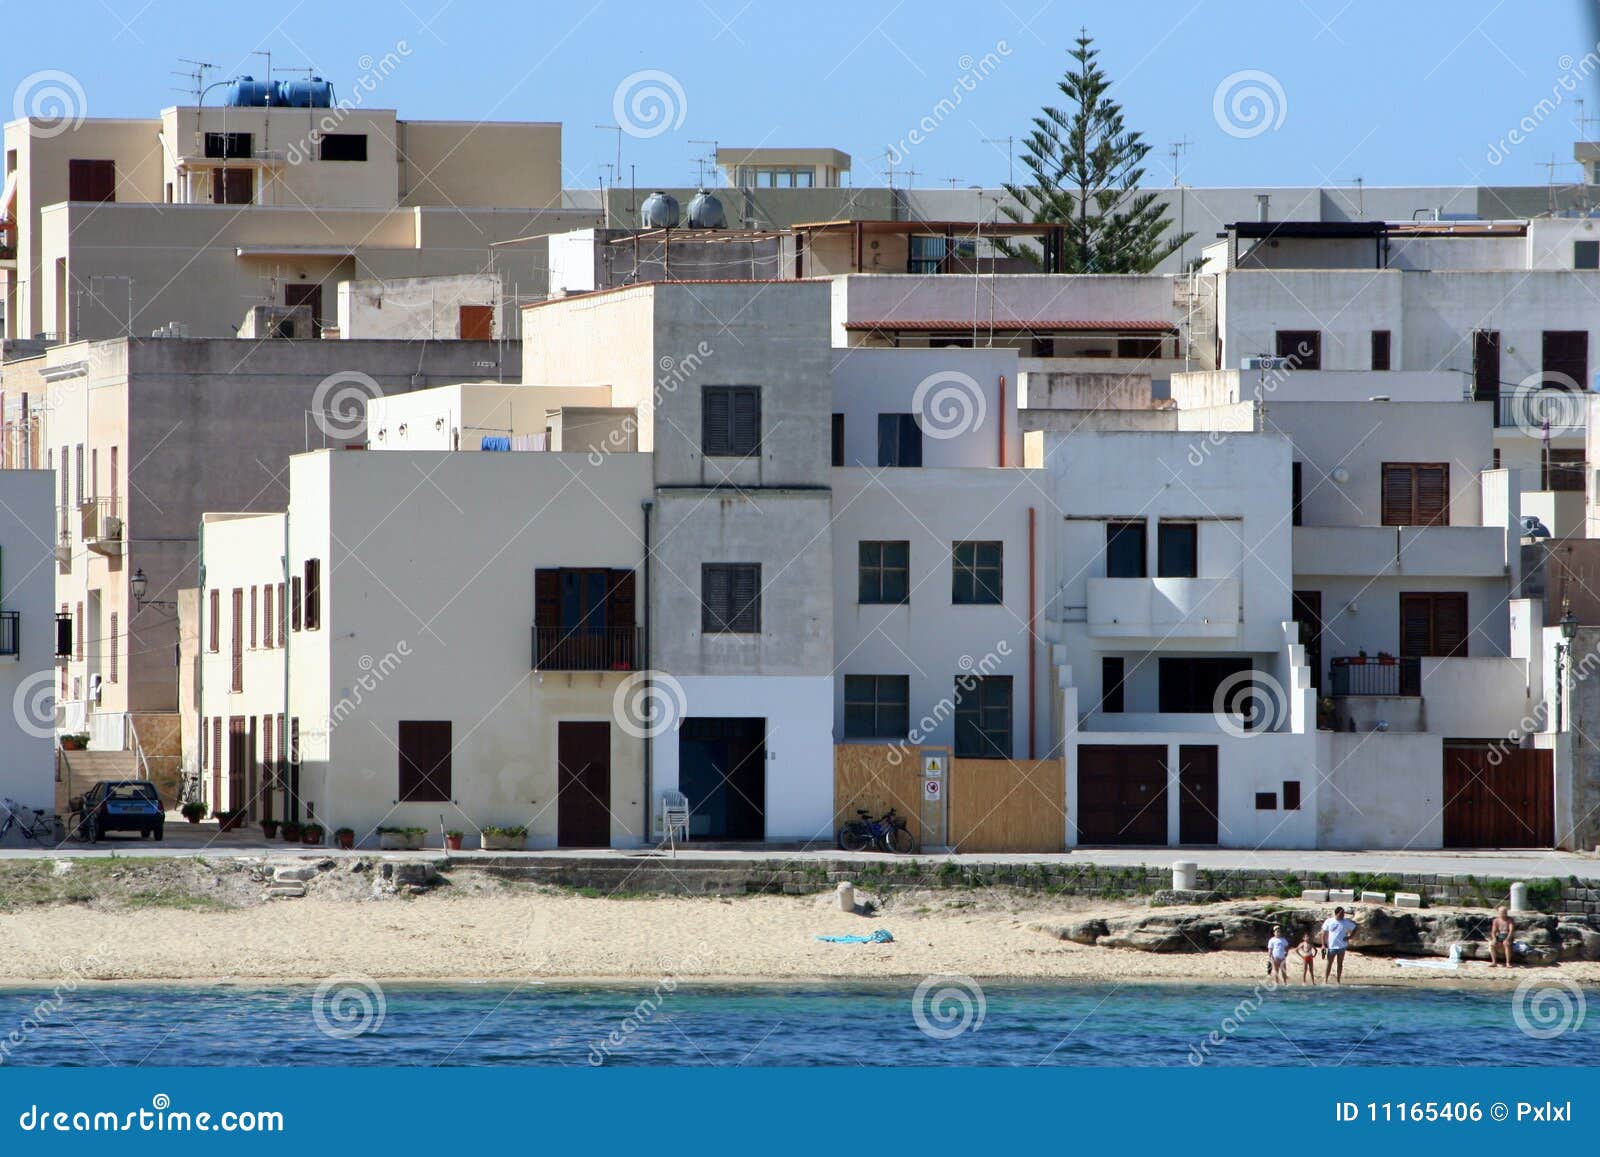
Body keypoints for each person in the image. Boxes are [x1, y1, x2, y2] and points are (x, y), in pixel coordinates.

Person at [1320, 906, 1358, 984]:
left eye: (1343, 913)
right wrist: (1323, 945)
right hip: (1331, 946)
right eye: (1341, 913)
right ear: (1336, 913)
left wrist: (1350, 937)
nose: (1343, 915)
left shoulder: (1345, 922)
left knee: (1340, 963)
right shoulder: (1329, 921)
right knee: (1329, 963)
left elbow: (1355, 928)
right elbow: (1323, 933)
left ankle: (1338, 980)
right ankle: (1325, 980)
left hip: (1342, 946)